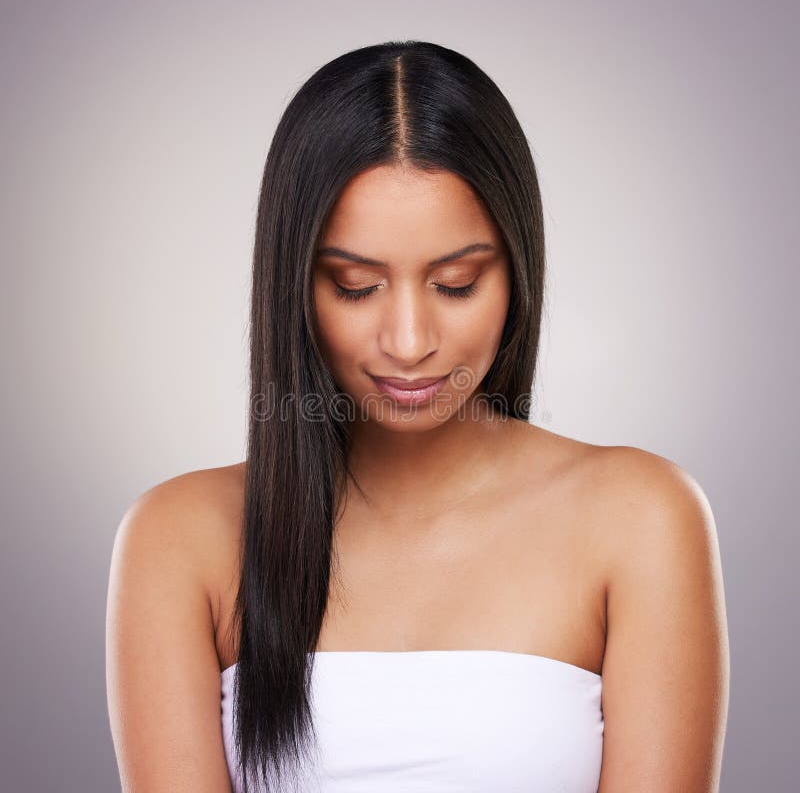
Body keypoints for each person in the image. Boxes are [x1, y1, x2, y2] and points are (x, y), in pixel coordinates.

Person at [106, 40, 729, 793]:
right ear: (293, 285)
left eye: (457, 284)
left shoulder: (641, 518)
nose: (408, 343)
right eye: (356, 286)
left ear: (517, 271)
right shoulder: (180, 537)